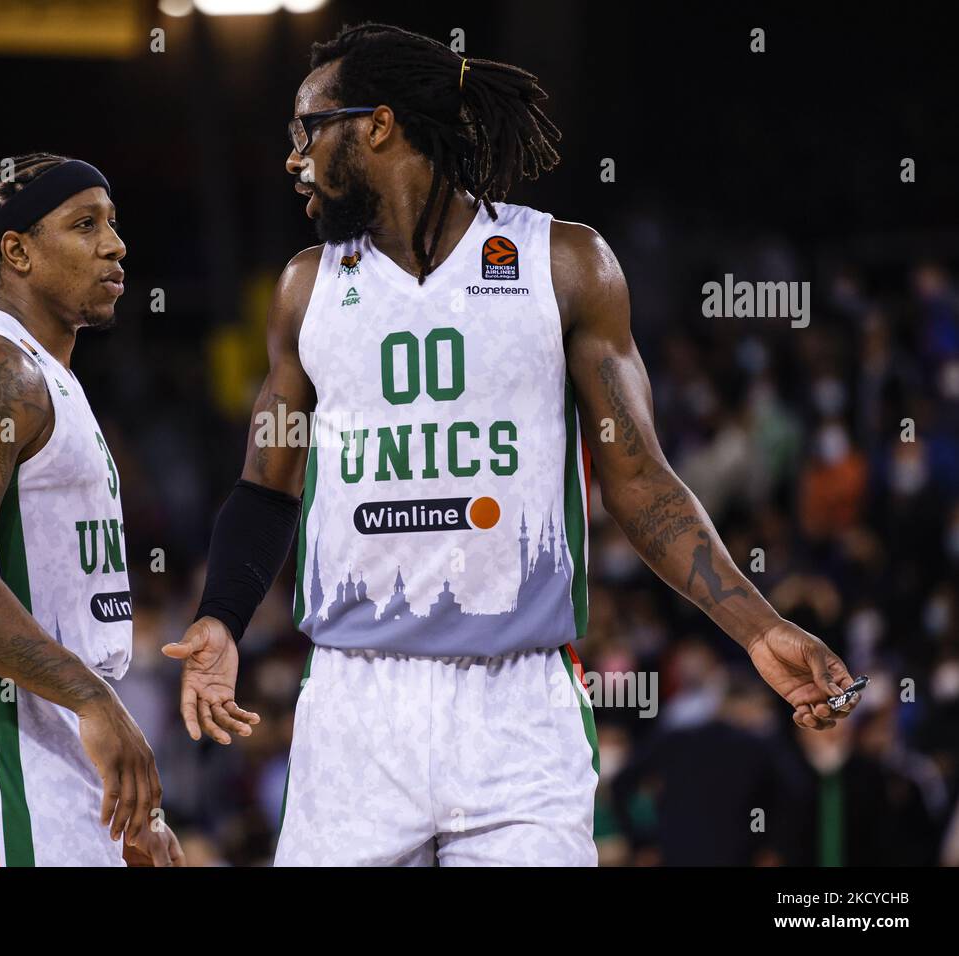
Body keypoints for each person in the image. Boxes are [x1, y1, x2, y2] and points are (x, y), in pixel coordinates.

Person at [165, 24, 862, 866]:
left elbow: (639, 481)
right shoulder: (305, 287)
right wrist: (221, 619)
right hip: (355, 703)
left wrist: (756, 628)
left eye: (307, 130)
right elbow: (268, 485)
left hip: (518, 705)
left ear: (378, 126)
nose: (293, 159)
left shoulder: (563, 264)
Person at [0, 153, 182, 867]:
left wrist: (136, 806)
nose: (114, 245)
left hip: (55, 721)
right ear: (16, 250)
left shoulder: (50, 378)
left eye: (113, 224)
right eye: (85, 225)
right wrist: (94, 700)